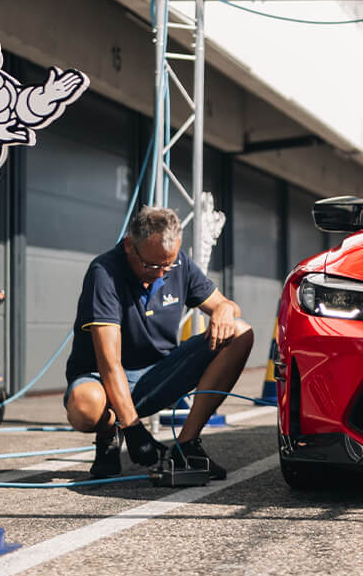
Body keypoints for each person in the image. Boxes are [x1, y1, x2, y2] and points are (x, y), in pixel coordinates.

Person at [64, 206, 253, 480]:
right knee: (85, 407)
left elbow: (225, 305)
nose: (162, 273)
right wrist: (132, 428)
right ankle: (109, 435)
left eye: (168, 264)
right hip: (106, 380)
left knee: (239, 331)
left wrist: (224, 309)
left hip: (158, 374)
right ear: (130, 245)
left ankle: (186, 446)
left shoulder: (178, 264)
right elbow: (109, 362)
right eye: (153, 265)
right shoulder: (104, 273)